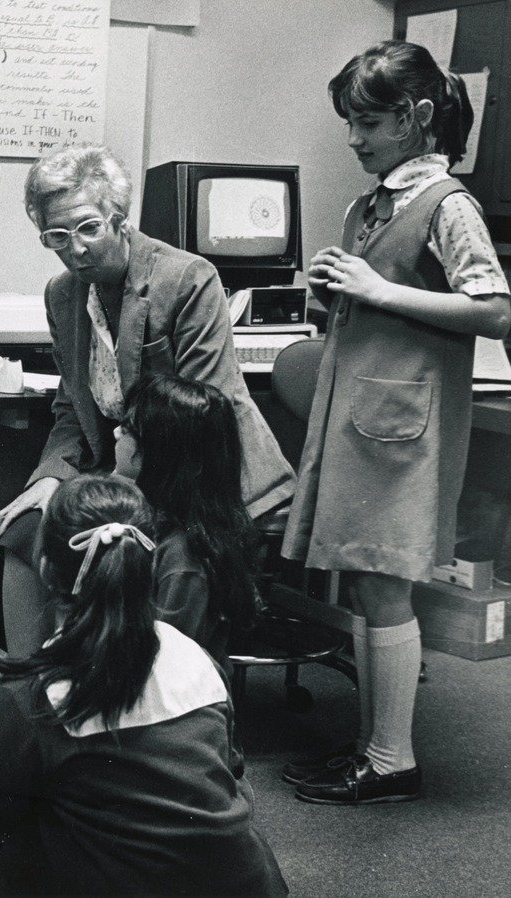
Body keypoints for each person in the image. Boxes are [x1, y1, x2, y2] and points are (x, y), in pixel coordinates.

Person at [281, 40, 511, 805]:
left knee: (383, 590)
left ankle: (388, 763)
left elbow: (493, 309)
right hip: (361, 424)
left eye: (368, 121)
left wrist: (375, 289)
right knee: (365, 586)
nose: (353, 138)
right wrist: (334, 294)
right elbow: (378, 301)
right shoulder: (369, 201)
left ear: (416, 119)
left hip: (399, 430)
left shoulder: (447, 204)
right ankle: (373, 753)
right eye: (349, 120)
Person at [0, 145, 294, 655]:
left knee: (107, 546)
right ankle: (33, 695)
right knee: (24, 529)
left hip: (200, 479)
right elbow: (72, 407)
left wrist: (106, 493)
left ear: (120, 219)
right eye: (57, 237)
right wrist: (49, 481)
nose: (76, 250)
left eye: (89, 228)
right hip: (124, 464)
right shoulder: (62, 295)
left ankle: (129, 703)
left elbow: (204, 414)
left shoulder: (188, 279)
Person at [0, 474, 287, 896]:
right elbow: (232, 768)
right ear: (147, 565)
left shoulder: (32, 696)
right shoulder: (196, 658)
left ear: (45, 569)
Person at [124, 373, 260, 671]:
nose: (116, 436)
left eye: (128, 430)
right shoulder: (157, 526)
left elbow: (163, 667)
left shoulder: (182, 559)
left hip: (173, 704)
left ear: (160, 453)